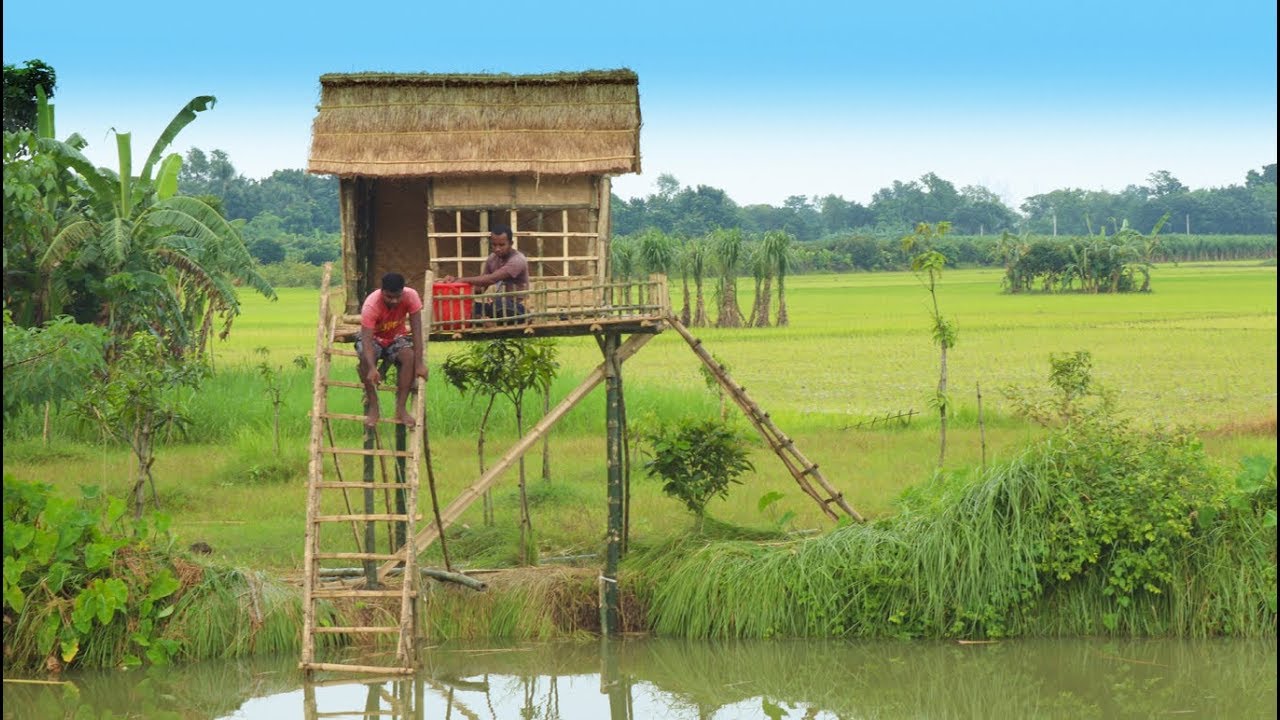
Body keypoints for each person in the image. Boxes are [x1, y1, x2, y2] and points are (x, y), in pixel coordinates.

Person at [357, 272, 428, 429]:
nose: (394, 301)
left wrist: (420, 363)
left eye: (398, 296)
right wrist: (372, 368)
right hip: (374, 338)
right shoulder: (371, 306)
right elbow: (367, 341)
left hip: (396, 336)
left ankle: (401, 408)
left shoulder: (412, 296)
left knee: (409, 356)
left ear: (403, 291)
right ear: (382, 291)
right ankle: (374, 407)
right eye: (389, 297)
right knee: (365, 356)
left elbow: (417, 331)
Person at [444, 225, 529, 323]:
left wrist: (462, 279)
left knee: (499, 303)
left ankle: (487, 319)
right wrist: (456, 287)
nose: (497, 249)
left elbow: (491, 279)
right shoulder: (492, 258)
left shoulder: (517, 260)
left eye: (501, 245)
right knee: (472, 306)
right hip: (496, 306)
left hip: (516, 307)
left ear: (511, 243)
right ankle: (488, 319)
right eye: (494, 245)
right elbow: (481, 287)